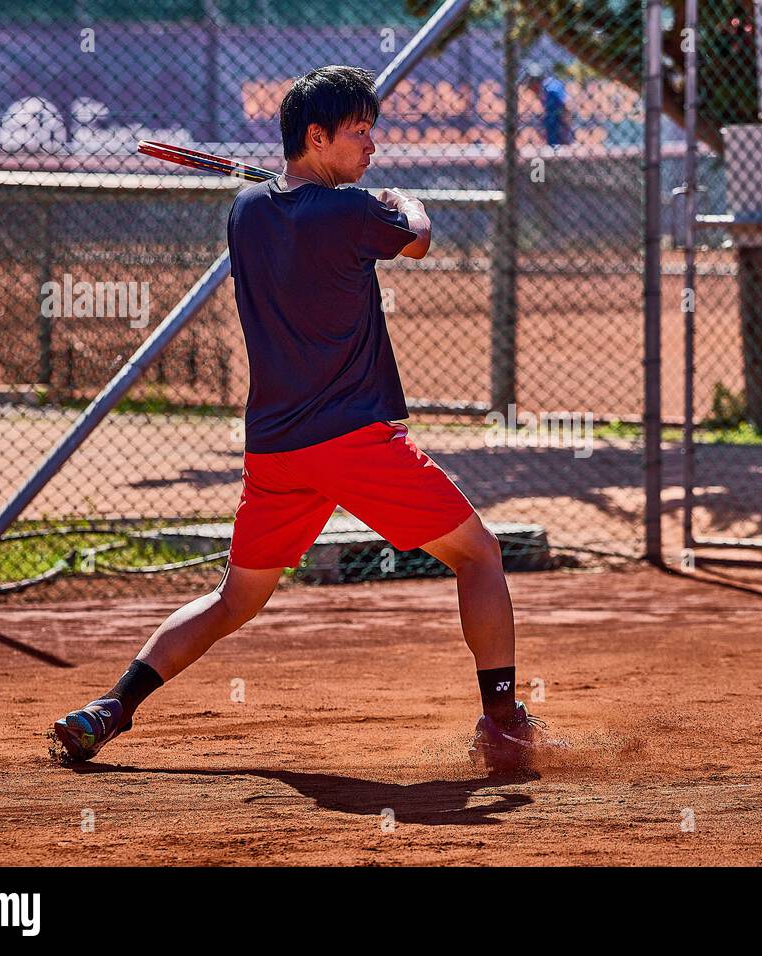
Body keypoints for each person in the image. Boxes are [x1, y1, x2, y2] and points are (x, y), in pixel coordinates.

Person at [51, 65, 552, 774]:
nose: (371, 143)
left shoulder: (248, 211)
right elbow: (418, 236)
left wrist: (350, 194)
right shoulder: (351, 213)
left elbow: (307, 211)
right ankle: (502, 724)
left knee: (235, 598)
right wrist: (399, 200)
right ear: (315, 138)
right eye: (358, 132)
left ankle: (111, 708)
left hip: (279, 450)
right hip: (353, 440)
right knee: (480, 555)